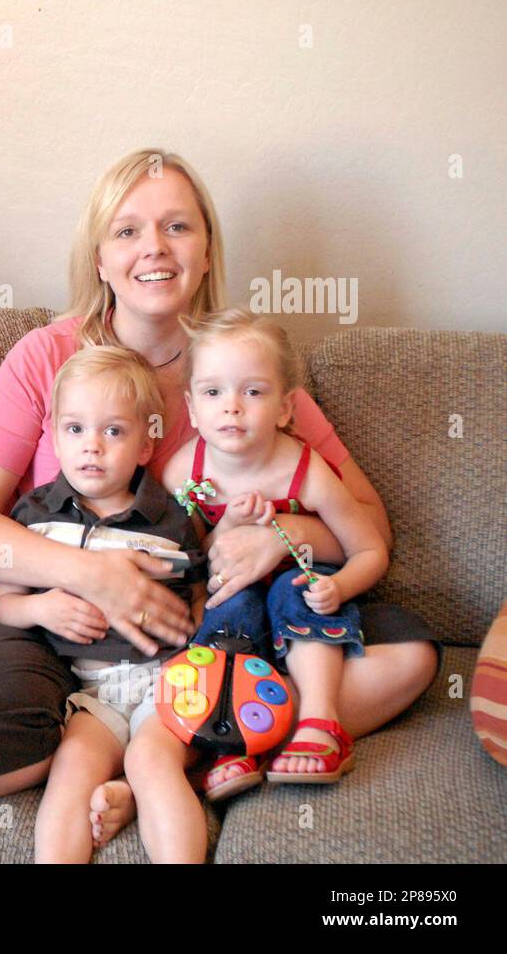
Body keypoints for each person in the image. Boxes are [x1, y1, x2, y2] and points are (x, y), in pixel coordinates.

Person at [0, 149, 439, 847]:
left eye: (177, 228)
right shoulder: (46, 358)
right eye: (128, 231)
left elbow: (366, 522)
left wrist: (280, 535)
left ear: (205, 252)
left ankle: (167, 759)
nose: (154, 249)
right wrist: (90, 574)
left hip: (211, 629)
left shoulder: (241, 368)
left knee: (408, 653)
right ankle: (184, 750)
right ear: (99, 258)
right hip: (49, 619)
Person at [0, 345, 207, 862]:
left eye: (113, 431)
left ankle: (143, 791)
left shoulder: (170, 518)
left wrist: (193, 658)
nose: (92, 446)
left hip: (165, 679)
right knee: (71, 771)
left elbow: (200, 595)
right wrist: (41, 610)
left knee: (154, 765)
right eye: (74, 429)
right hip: (96, 692)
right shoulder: (37, 514)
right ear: (54, 437)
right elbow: (5, 604)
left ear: (143, 446)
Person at [170, 307, 389, 790]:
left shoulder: (307, 472)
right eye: (213, 392)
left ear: (286, 408)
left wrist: (339, 585)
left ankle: (319, 721)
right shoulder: (186, 471)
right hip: (235, 606)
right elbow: (186, 563)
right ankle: (231, 741)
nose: (232, 406)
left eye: (252, 391)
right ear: (191, 407)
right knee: (233, 605)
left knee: (296, 587)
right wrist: (225, 522)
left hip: (302, 603)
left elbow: (371, 550)